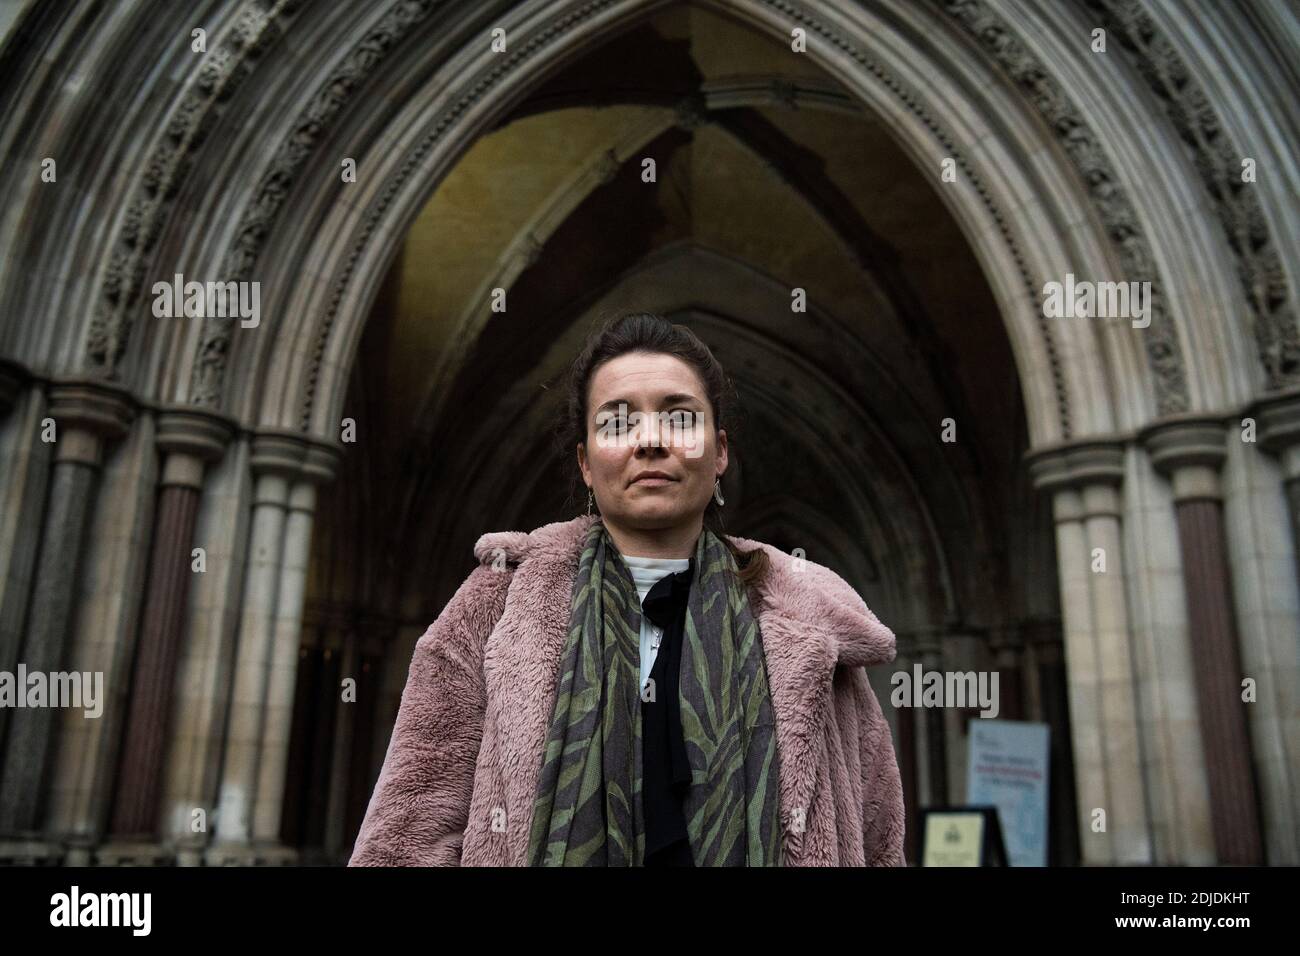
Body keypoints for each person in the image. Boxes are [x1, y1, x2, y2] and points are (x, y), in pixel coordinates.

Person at [349, 312, 905, 866]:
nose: (650, 441)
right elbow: (407, 833)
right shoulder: (494, 605)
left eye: (680, 417)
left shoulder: (810, 623)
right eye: (617, 421)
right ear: (586, 463)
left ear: (720, 452)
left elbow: (879, 840)